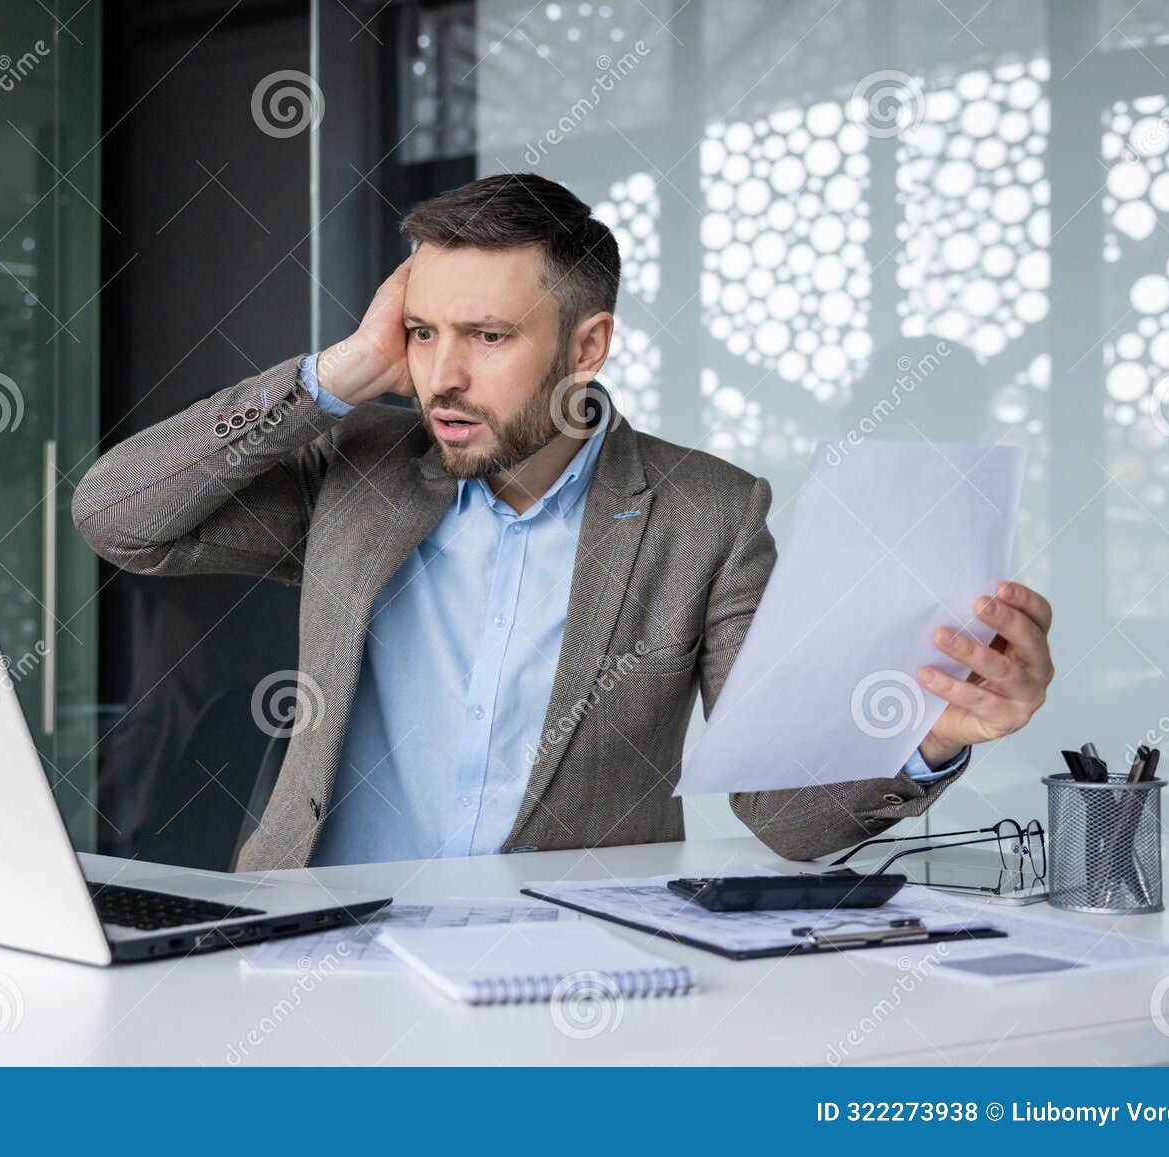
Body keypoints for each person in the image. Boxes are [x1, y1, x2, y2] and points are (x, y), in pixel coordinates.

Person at [72, 173, 1054, 871]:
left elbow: (784, 813)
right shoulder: (356, 474)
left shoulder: (706, 511)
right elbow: (119, 515)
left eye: (488, 337)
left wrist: (930, 738)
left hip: (565, 977)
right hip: (315, 948)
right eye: (423, 332)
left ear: (587, 344)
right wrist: (337, 374)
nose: (442, 377)